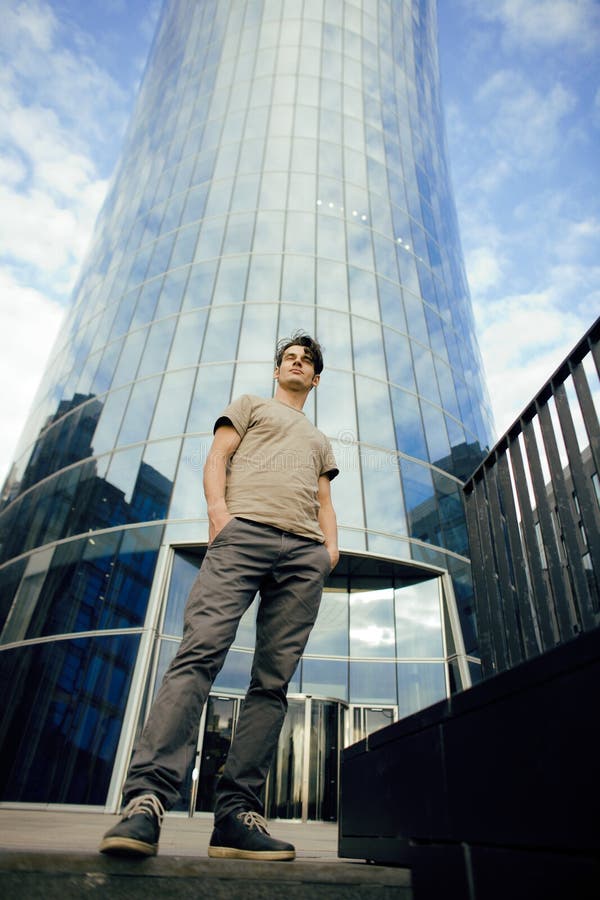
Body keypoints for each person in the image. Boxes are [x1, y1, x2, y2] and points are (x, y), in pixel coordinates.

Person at [99, 331, 339, 862]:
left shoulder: (321, 441)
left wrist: (330, 551)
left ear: (315, 379)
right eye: (289, 358)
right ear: (278, 371)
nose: (297, 364)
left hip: (303, 556)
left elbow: (324, 499)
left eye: (306, 362)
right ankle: (146, 800)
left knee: (272, 683)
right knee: (199, 653)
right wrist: (218, 516)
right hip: (243, 534)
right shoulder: (250, 405)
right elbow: (218, 457)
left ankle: (235, 816)